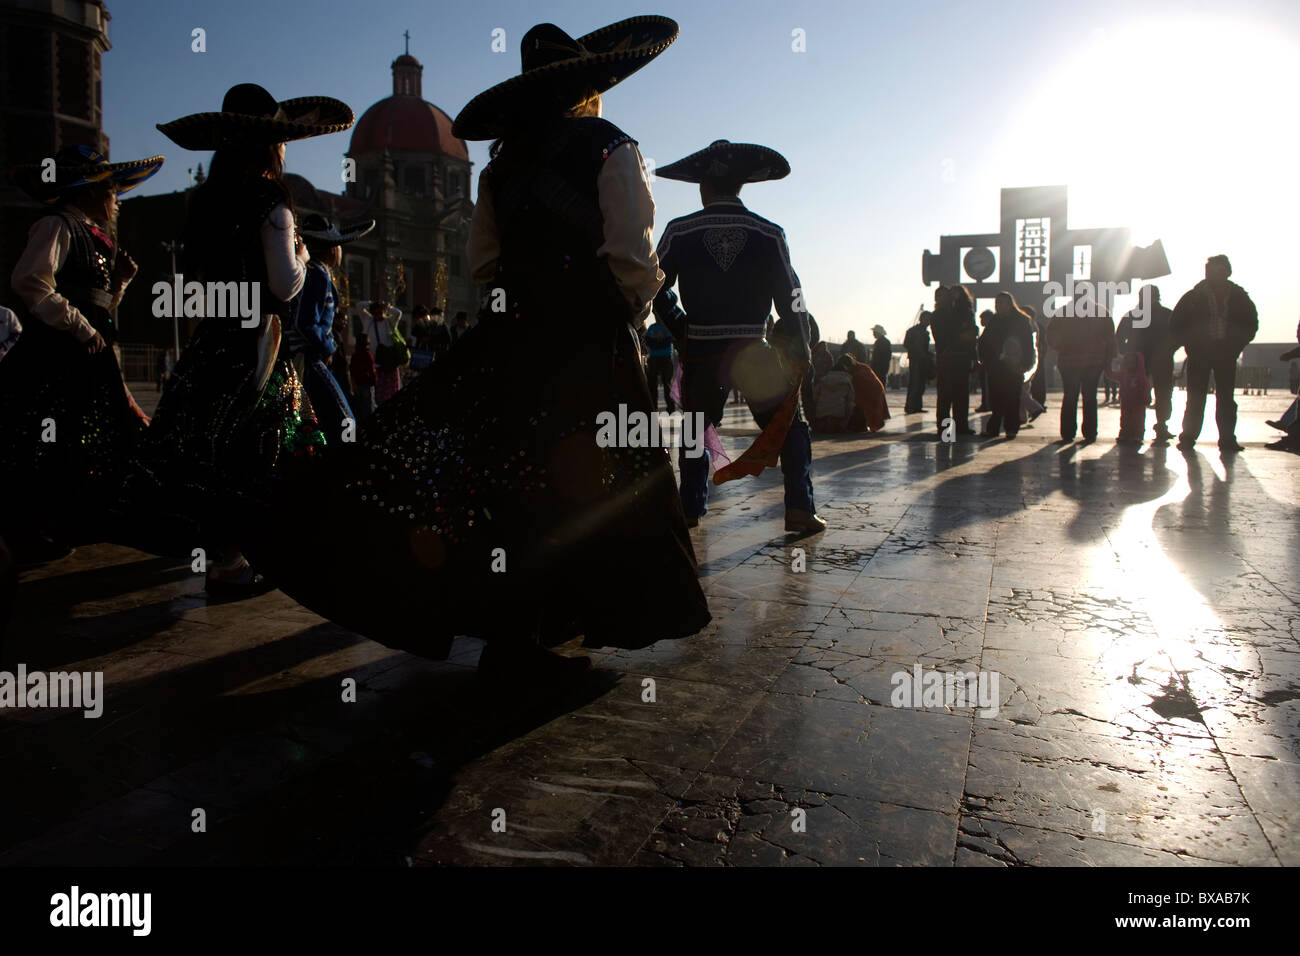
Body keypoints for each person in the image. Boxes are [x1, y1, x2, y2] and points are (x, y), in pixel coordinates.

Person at [240, 16, 709, 672]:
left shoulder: (502, 166)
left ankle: (515, 630)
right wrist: (621, 319)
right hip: (586, 343)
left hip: (508, 341)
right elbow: (632, 255)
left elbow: (485, 265)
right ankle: (562, 622)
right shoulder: (611, 145)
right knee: (591, 485)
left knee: (506, 483)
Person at [141, 82, 350, 594]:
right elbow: (284, 284)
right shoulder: (270, 199)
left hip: (211, 341)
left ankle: (223, 562)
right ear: (270, 146)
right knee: (266, 451)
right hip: (259, 341)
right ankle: (247, 561)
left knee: (211, 450)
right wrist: (302, 256)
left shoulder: (204, 200)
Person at [653, 138, 824, 534]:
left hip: (702, 352)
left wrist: (681, 327)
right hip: (753, 350)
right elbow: (792, 296)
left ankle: (690, 508)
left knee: (696, 428)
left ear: (703, 187)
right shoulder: (767, 232)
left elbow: (653, 284)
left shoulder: (681, 231)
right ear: (741, 185)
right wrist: (801, 349)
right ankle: (800, 508)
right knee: (789, 426)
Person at [0, 145, 161, 560]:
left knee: (86, 441)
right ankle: (29, 530)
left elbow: (99, 306)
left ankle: (69, 522)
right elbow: (30, 282)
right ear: (89, 192)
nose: (116, 200)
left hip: (87, 357)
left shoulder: (93, 237)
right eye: (111, 191)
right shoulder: (56, 225)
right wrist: (79, 326)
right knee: (46, 441)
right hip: (55, 358)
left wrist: (121, 283)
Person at [293, 214, 374, 443]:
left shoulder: (309, 271)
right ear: (331, 249)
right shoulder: (317, 274)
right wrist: (327, 345)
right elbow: (305, 322)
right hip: (308, 359)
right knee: (344, 420)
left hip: (304, 358)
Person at [1173, 255, 1258, 453]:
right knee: (1195, 398)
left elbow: (1251, 324)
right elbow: (1176, 324)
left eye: (1218, 270)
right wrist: (1191, 345)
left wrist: (1235, 345)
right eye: (1210, 270)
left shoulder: (1238, 297)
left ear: (1227, 271)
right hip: (1199, 355)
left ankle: (1227, 439)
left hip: (1226, 355)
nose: (1212, 274)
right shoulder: (1193, 297)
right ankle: (1187, 438)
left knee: (1226, 398)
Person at [1047, 287, 1115, 443]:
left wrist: (1060, 346)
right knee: (1089, 396)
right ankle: (1090, 433)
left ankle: (1068, 433)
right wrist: (1109, 358)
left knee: (1071, 396)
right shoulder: (1100, 312)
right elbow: (1110, 337)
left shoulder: (1063, 312)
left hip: (1069, 361)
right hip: (1093, 361)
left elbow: (1050, 334)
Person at [1116, 285, 1176, 442]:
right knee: (1163, 394)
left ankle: (1133, 429)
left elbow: (1119, 338)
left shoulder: (1132, 316)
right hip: (1160, 361)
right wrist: (1169, 350)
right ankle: (1161, 427)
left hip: (1138, 362)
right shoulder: (1167, 315)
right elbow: (1177, 337)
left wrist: (1128, 353)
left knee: (1134, 397)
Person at [978, 292, 1036, 438]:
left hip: (1014, 366)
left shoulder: (1022, 321)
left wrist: (1026, 364)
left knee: (1012, 397)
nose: (998, 306)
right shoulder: (994, 321)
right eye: (997, 303)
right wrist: (986, 360)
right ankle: (993, 428)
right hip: (996, 365)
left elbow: (1028, 344)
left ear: (1010, 304)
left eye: (1001, 303)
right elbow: (983, 341)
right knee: (996, 398)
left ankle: (1011, 428)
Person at [931, 285, 977, 436]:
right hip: (946, 358)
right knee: (945, 395)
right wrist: (961, 334)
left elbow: (971, 333)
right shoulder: (937, 315)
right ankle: (944, 428)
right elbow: (943, 337)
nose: (947, 298)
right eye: (943, 296)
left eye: (948, 295)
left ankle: (961, 426)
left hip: (961, 358)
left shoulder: (960, 312)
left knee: (961, 395)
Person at [357, 298, 406, 404]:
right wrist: (373, 303)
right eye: (376, 312)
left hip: (389, 365)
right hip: (374, 365)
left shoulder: (389, 322)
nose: (378, 315)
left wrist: (387, 306)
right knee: (377, 397)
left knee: (390, 394)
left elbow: (398, 313)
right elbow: (359, 306)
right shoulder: (368, 320)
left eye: (380, 312)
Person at [1106, 351, 1151, 442]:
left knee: (1138, 420)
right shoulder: (1123, 374)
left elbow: (1146, 388)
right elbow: (1111, 375)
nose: (1130, 364)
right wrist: (1106, 366)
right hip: (1126, 403)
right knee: (1125, 419)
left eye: (1133, 362)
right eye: (1129, 362)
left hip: (1138, 404)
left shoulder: (1141, 377)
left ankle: (1137, 435)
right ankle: (1125, 434)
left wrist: (1146, 398)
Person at [643, 315, 676, 412]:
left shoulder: (667, 327)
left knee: (667, 385)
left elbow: (669, 340)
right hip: (654, 358)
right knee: (652, 384)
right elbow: (647, 340)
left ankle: (671, 408)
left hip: (665, 359)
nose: (657, 317)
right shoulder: (652, 327)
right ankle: (653, 407)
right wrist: (660, 342)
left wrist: (656, 343)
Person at [903, 311, 931, 413]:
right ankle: (910, 406)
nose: (928, 322)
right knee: (914, 383)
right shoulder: (912, 331)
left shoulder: (925, 332)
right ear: (921, 319)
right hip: (915, 360)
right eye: (927, 319)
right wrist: (918, 352)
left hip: (923, 361)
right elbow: (906, 344)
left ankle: (917, 406)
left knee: (921, 384)